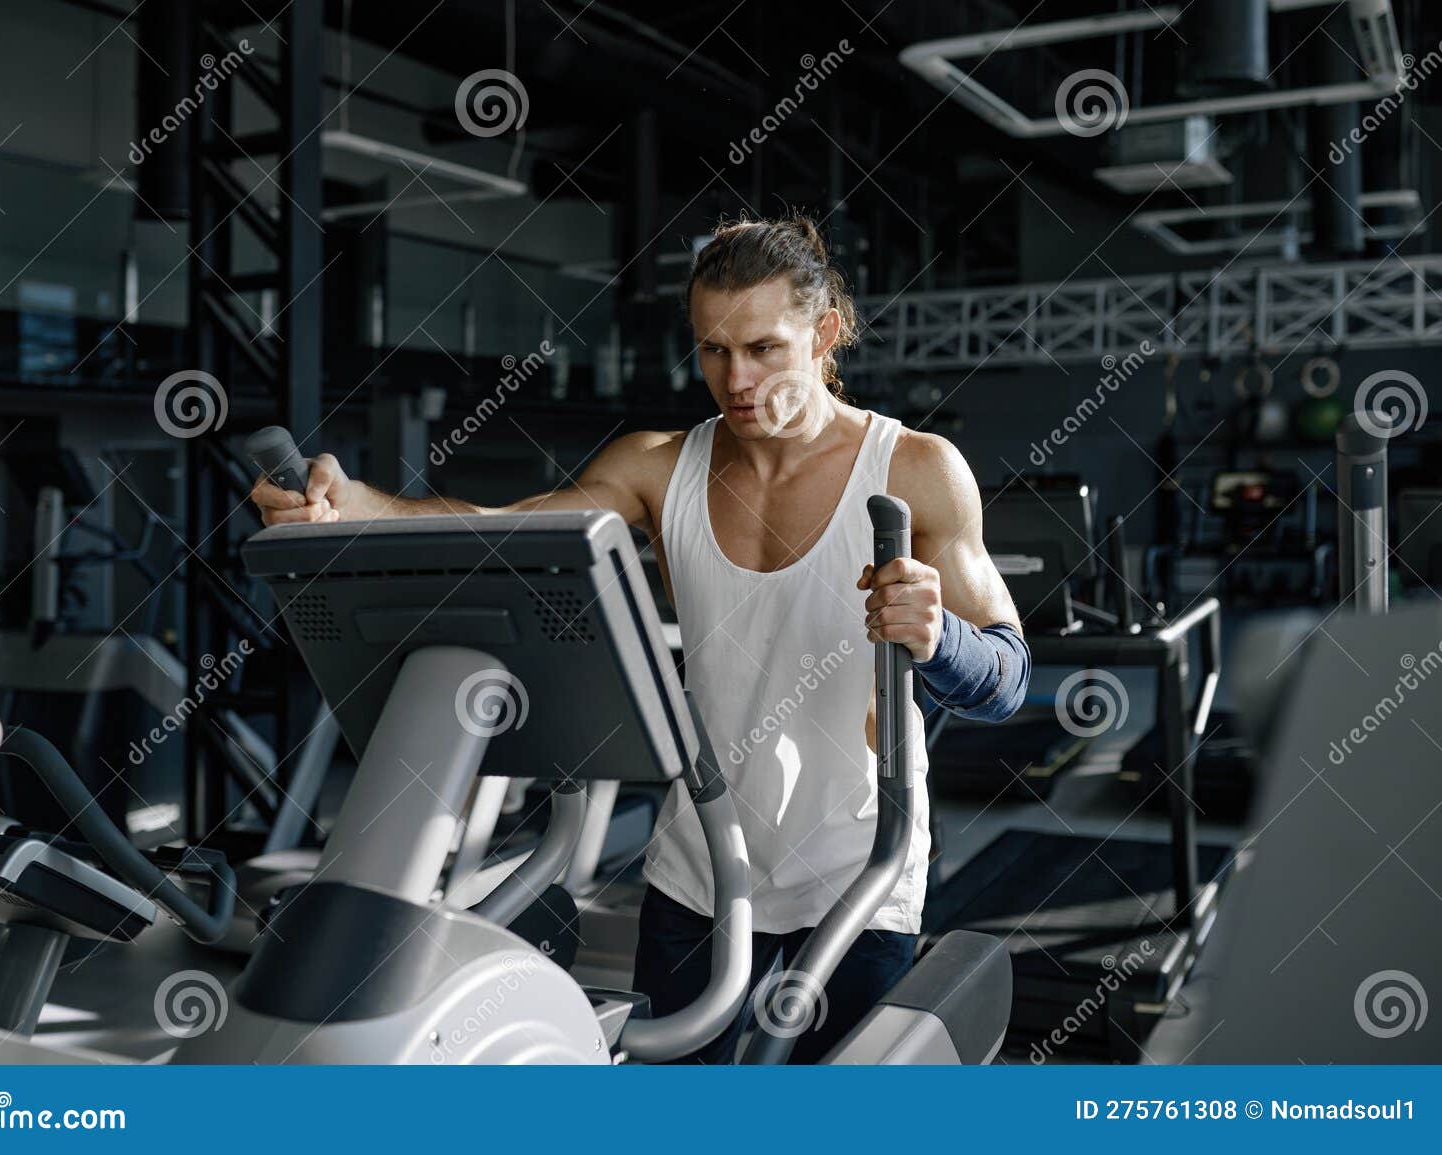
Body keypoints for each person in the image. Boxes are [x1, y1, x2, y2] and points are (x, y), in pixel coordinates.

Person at [250, 215, 1030, 1063]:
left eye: (764, 347)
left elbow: (1008, 675)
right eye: (713, 351)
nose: (736, 378)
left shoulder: (915, 470)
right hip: (704, 863)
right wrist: (351, 503)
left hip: (859, 872)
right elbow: (499, 531)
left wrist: (940, 637)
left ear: (825, 333)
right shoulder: (661, 465)